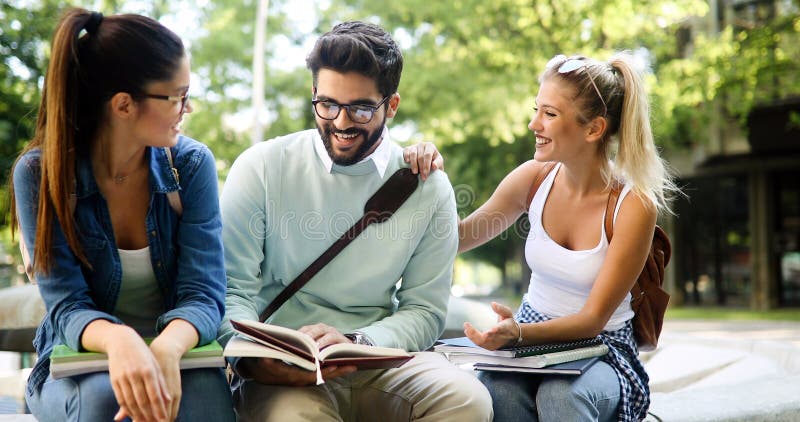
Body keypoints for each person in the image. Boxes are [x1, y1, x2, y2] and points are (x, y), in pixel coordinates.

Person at [218, 21, 492, 421]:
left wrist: (359, 341)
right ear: (313, 94)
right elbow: (230, 292)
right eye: (327, 104)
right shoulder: (261, 167)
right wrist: (252, 362)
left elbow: (425, 310)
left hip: (377, 358)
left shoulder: (427, 187)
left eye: (361, 108)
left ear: (391, 106)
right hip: (280, 369)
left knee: (468, 400)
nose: (342, 123)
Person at [405, 53, 679, 421]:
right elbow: (456, 238)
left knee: (561, 397)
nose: (534, 123)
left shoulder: (633, 205)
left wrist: (518, 333)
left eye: (550, 114)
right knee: (497, 391)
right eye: (537, 109)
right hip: (530, 337)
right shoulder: (534, 178)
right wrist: (428, 176)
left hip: (602, 347)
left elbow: (592, 319)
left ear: (594, 129)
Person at [11, 8, 235, 422]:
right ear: (124, 105)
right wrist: (119, 341)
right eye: (177, 97)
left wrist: (165, 349)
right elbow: (67, 305)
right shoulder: (41, 175)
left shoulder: (191, 165)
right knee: (106, 401)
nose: (187, 109)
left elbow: (204, 294)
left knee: (205, 399)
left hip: (178, 350)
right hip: (78, 364)